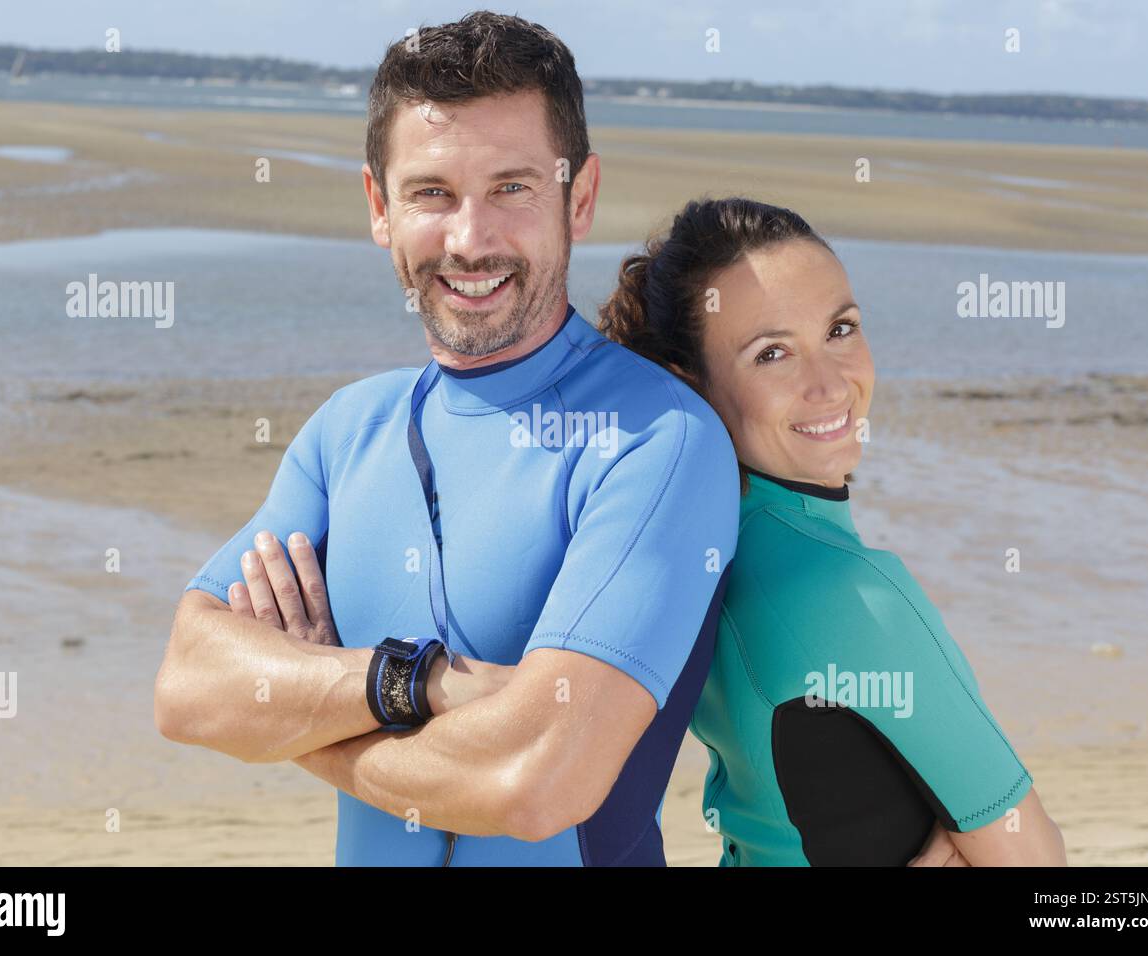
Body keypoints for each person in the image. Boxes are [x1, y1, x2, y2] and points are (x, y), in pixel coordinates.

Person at [153, 12, 742, 866]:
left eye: (512, 187)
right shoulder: (348, 432)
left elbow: (540, 780)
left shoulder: (657, 442)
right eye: (432, 192)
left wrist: (299, 716)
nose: (471, 240)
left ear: (578, 197)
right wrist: (412, 681)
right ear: (379, 207)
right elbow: (189, 688)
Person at [596, 197, 1067, 866]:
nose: (829, 386)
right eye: (772, 354)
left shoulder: (694, 547)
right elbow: (1037, 863)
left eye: (840, 330)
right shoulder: (846, 589)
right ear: (691, 386)